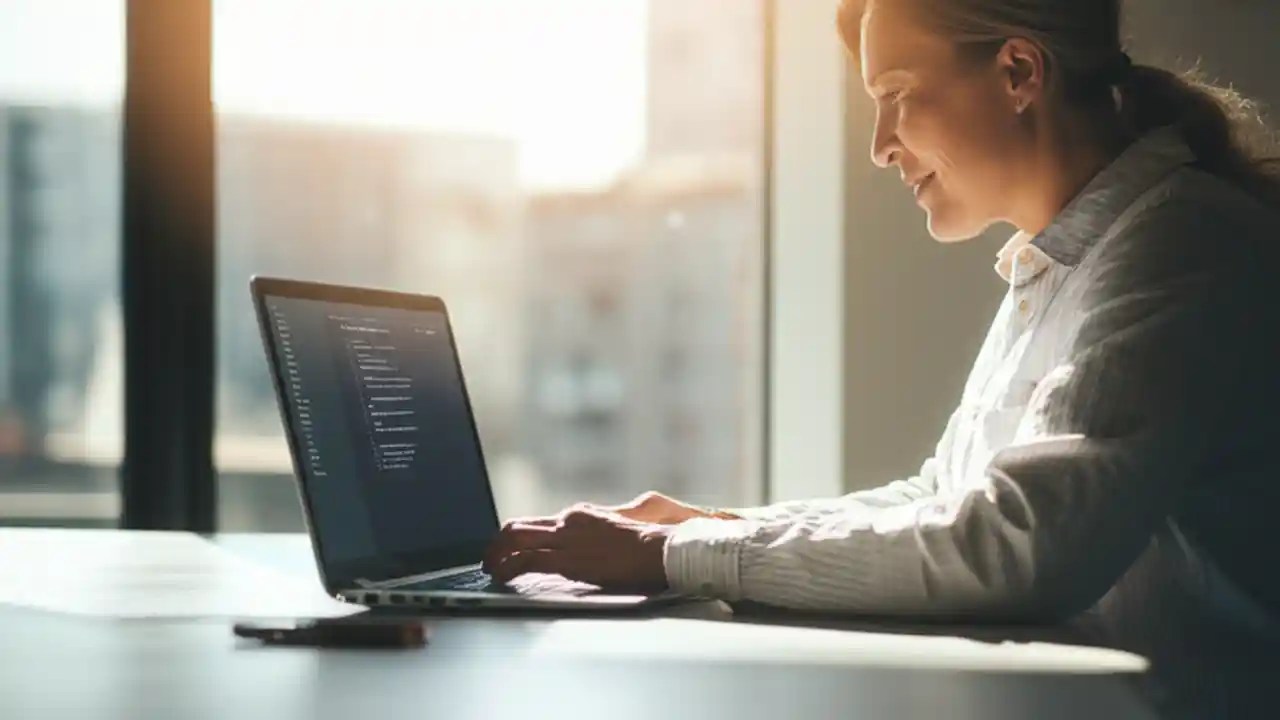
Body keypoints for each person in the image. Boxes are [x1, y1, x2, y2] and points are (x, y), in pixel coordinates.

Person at [487, 0, 1280, 713]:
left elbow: (1024, 544)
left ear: (1017, 71)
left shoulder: (1180, 245)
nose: (879, 146)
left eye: (896, 95)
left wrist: (679, 556)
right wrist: (719, 527)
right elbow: (942, 496)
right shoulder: (1070, 261)